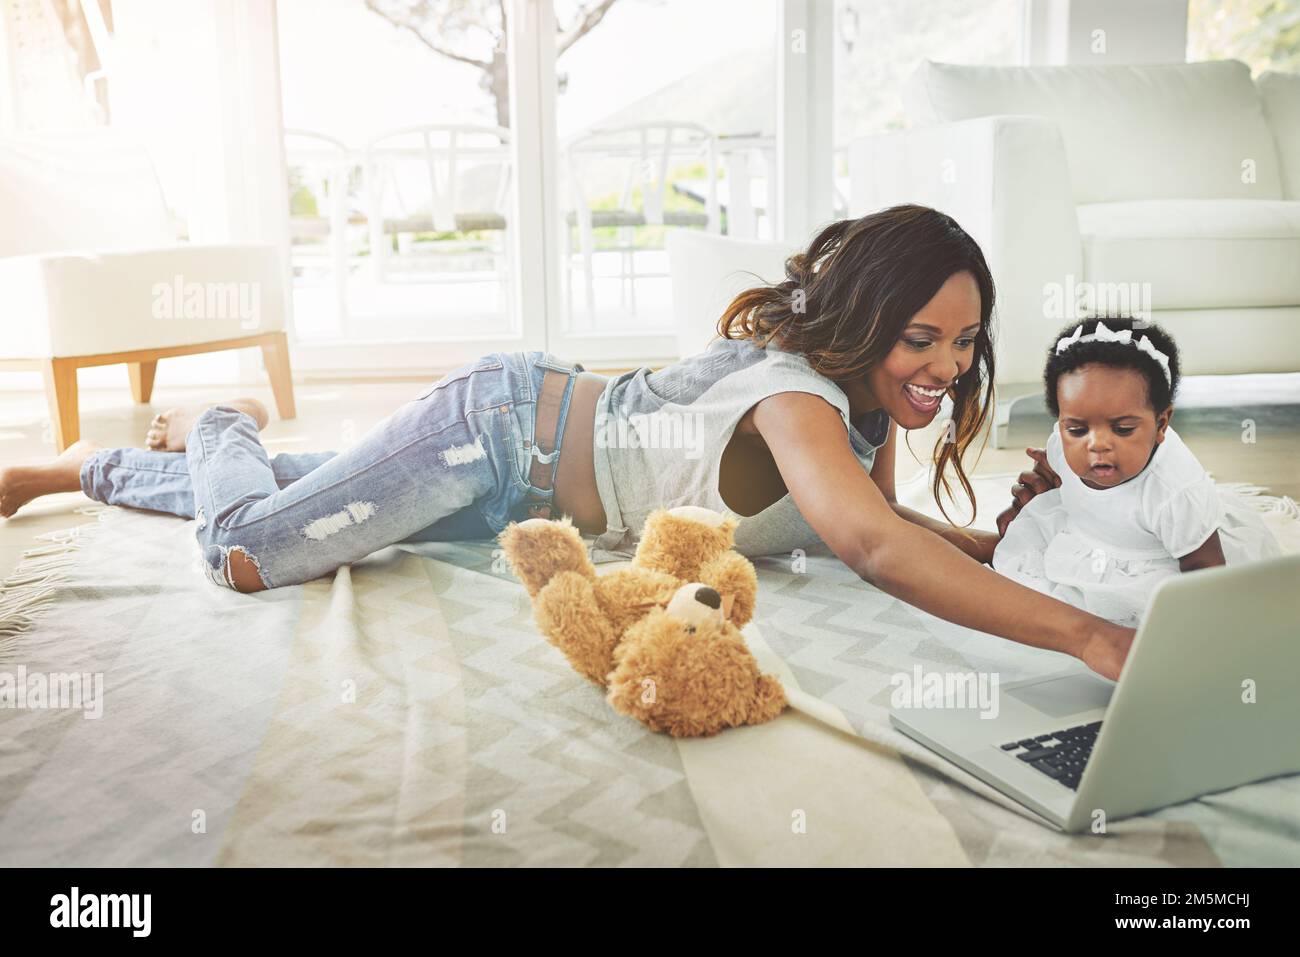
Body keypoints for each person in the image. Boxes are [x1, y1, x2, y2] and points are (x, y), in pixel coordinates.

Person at [0, 205, 1136, 679]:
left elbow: (876, 529)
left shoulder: (864, 410)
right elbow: (877, 552)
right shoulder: (794, 397)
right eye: (919, 337)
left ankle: (63, 470)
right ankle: (218, 421)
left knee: (303, 492)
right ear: (865, 320)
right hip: (493, 434)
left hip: (528, 502)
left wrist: (996, 541)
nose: (944, 367)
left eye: (964, 344)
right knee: (248, 549)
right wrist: (1082, 635)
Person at [990, 316, 1280, 627]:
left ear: (1161, 423)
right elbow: (1051, 469)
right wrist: (1024, 504)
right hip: (1085, 535)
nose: (1097, 445)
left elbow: (1204, 570)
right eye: (1076, 428)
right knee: (1021, 596)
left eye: (1123, 429)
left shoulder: (1173, 491)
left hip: (1155, 566)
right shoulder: (1063, 442)